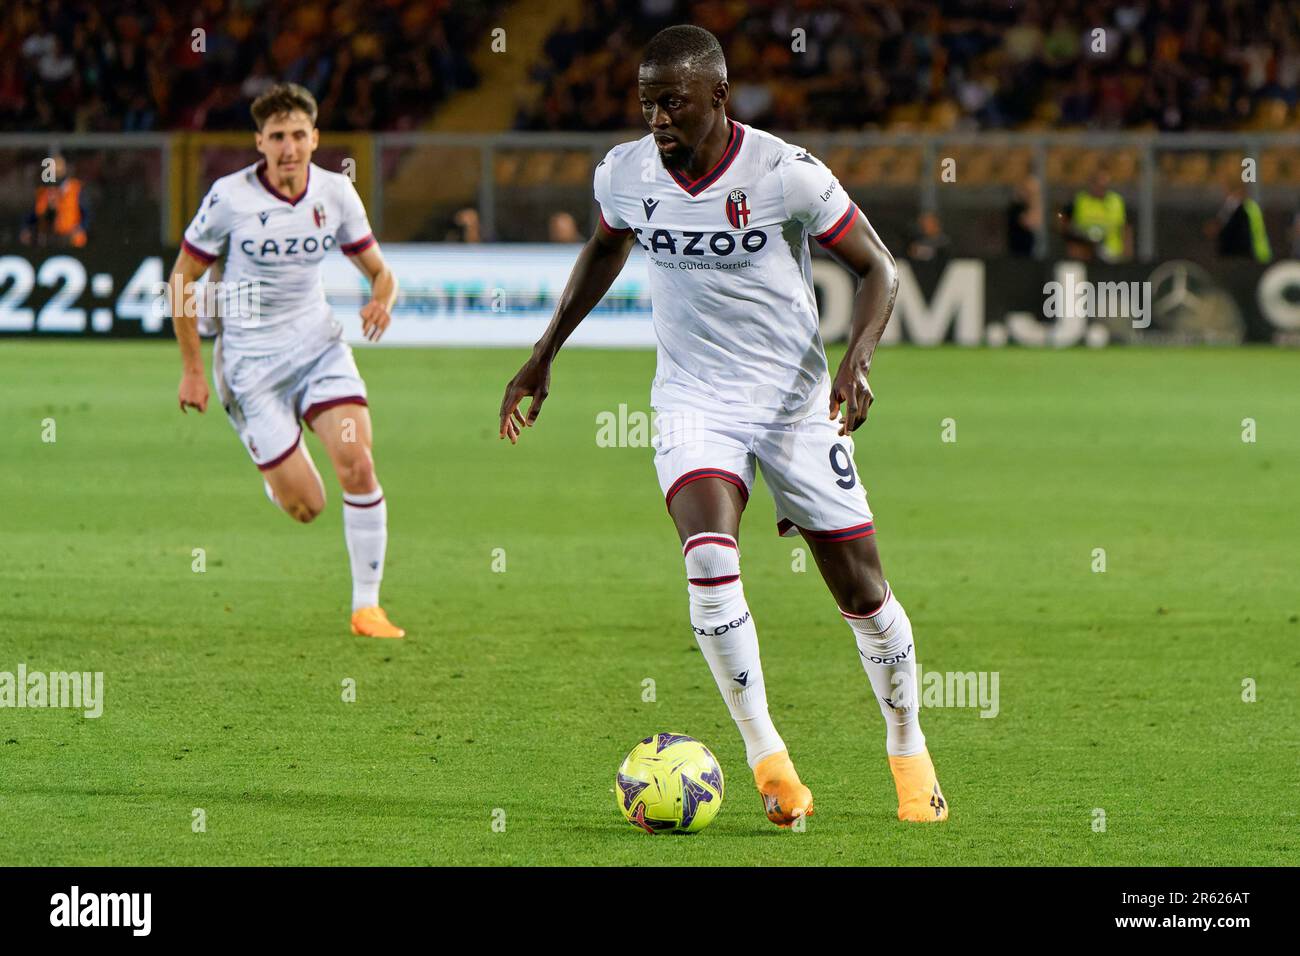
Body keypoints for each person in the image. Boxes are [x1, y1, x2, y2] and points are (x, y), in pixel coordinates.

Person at [499, 25, 947, 827]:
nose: (657, 120)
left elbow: (878, 266)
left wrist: (859, 360)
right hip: (692, 399)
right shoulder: (627, 173)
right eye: (646, 105)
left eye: (671, 102)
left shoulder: (785, 174)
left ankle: (908, 744)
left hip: (795, 403)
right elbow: (605, 248)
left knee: (862, 590)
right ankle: (768, 760)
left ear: (717, 94)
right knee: (708, 557)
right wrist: (544, 351)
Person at [169, 82, 405, 639]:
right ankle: (279, 470)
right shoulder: (230, 198)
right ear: (260, 142)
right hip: (250, 369)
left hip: (318, 348)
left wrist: (381, 300)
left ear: (315, 137)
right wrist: (193, 369)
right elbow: (182, 278)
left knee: (357, 461)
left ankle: (366, 607)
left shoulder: (336, 194)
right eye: (277, 137)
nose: (289, 147)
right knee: (308, 506)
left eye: (299, 134)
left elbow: (380, 270)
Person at [1058, 167, 1131, 262]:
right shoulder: (1079, 201)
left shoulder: (1117, 201)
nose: (1100, 188)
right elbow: (1062, 220)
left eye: (1104, 186)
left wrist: (1127, 253)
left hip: (1112, 256)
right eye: (1097, 184)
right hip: (1084, 256)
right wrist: (1073, 246)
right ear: (1091, 184)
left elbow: (1126, 229)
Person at [20, 154, 88, 248]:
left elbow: (86, 213)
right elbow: (33, 214)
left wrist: (81, 228)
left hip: (69, 237)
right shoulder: (43, 191)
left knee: (78, 238)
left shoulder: (75, 189)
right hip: (46, 237)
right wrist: (26, 229)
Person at [1205, 179, 1272, 263]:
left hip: (1245, 256)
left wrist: (1219, 229)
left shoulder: (1241, 209)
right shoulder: (1241, 207)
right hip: (1248, 255)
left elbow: (1235, 230)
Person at [1006, 175, 1042, 257]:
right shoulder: (1015, 207)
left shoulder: (1026, 207)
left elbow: (1037, 222)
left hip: (1027, 254)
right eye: (1026, 191)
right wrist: (1035, 195)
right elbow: (1030, 222)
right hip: (1017, 255)